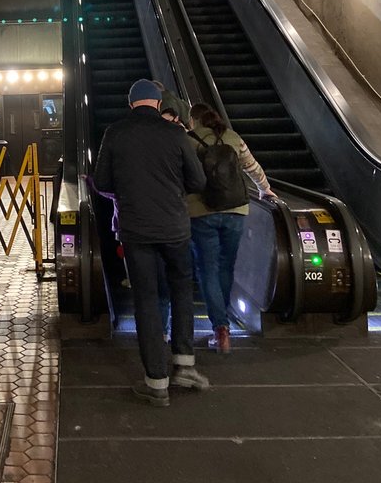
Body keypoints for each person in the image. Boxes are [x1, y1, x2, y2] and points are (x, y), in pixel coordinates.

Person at [93, 79, 209, 406]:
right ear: (159, 104)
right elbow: (198, 181)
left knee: (146, 298)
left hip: (135, 229)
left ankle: (156, 381)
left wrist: (128, 193)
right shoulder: (176, 134)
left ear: (131, 104)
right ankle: (185, 365)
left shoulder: (115, 133)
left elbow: (101, 182)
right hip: (175, 228)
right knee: (182, 289)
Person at [187, 103, 275, 354]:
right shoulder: (233, 138)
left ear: (194, 120)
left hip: (202, 212)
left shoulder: (190, 140)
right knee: (226, 267)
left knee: (208, 268)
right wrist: (264, 188)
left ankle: (220, 327)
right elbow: (252, 167)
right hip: (236, 210)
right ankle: (222, 322)